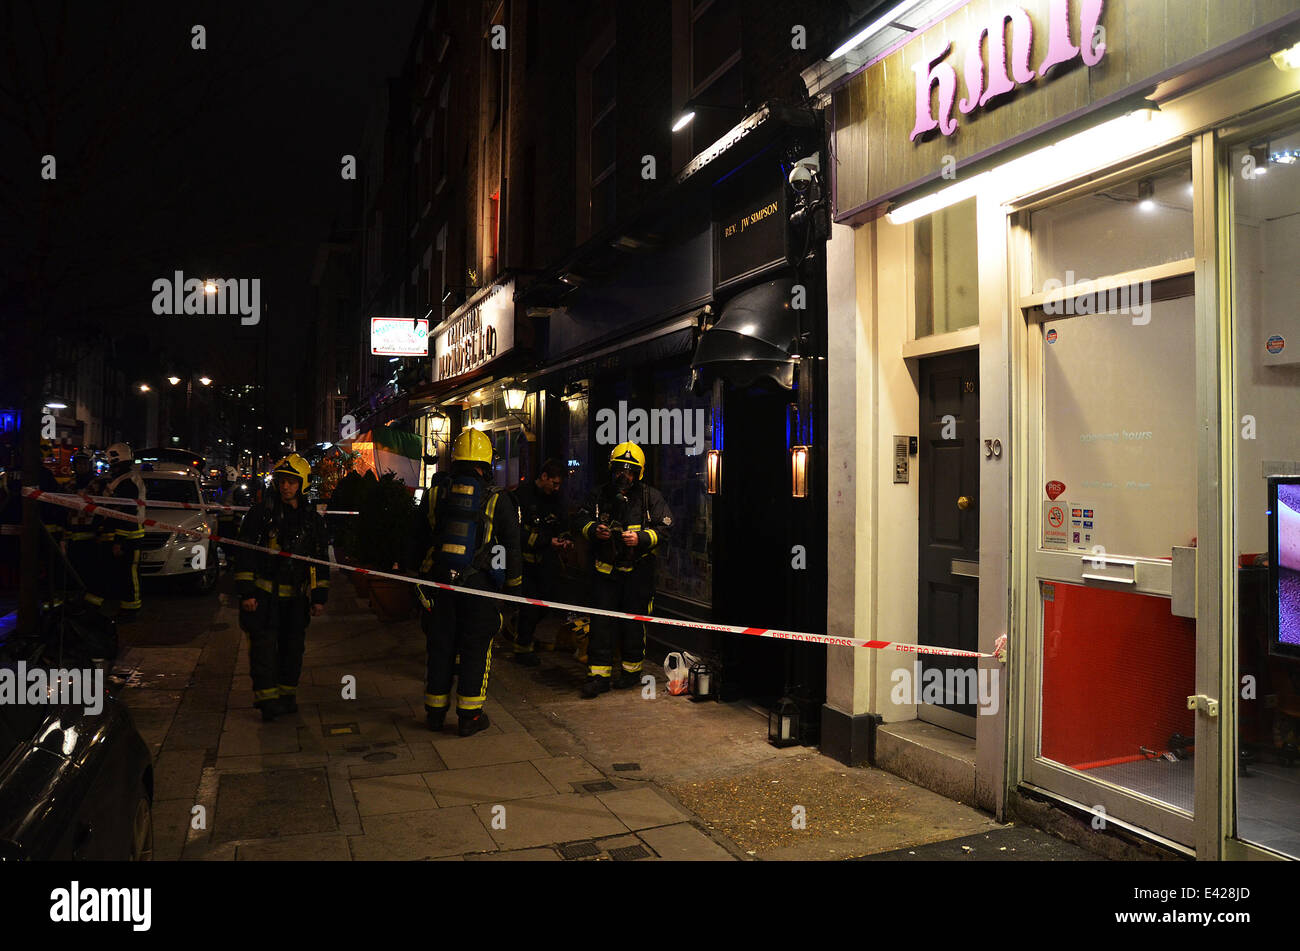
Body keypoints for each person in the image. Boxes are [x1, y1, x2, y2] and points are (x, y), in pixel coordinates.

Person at [407, 429, 521, 736]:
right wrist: (514, 591)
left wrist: (416, 580)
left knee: (440, 646)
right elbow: (511, 548)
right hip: (479, 588)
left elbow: (417, 541)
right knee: (476, 648)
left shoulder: (434, 495)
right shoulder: (499, 500)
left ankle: (434, 713)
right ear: (486, 465)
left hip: (440, 585)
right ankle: (469, 717)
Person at [233, 454, 330, 721]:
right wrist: (247, 592)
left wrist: (319, 596)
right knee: (264, 651)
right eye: (282, 481)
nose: (286, 486)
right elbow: (245, 554)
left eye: (291, 482)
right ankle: (267, 701)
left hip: (296, 599)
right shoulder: (260, 514)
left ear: (303, 484)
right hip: (264, 596)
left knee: (293, 649)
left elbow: (319, 559)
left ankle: (287, 695)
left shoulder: (311, 520)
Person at [574, 442, 673, 699]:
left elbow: (665, 529)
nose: (624, 475)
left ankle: (631, 672)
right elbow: (579, 519)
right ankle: (599, 676)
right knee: (601, 624)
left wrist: (640, 538)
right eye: (620, 469)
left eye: (630, 471)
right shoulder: (598, 495)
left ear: (639, 473)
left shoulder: (651, 497)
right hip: (605, 573)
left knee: (634, 624)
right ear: (612, 469)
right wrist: (594, 529)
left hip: (638, 574)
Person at [509, 458, 572, 666]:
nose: (557, 488)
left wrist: (564, 539)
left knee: (547, 604)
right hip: (525, 564)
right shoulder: (521, 496)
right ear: (543, 477)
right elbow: (514, 532)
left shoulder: (555, 499)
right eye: (554, 483)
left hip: (547, 564)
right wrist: (545, 541)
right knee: (530, 606)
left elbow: (561, 522)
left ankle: (519, 628)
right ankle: (522, 650)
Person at [96, 443, 146, 621]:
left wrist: (119, 540)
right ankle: (122, 606)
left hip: (128, 535)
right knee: (120, 574)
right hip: (122, 534)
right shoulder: (124, 479)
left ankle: (132, 609)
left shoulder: (128, 482)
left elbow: (127, 512)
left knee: (129, 574)